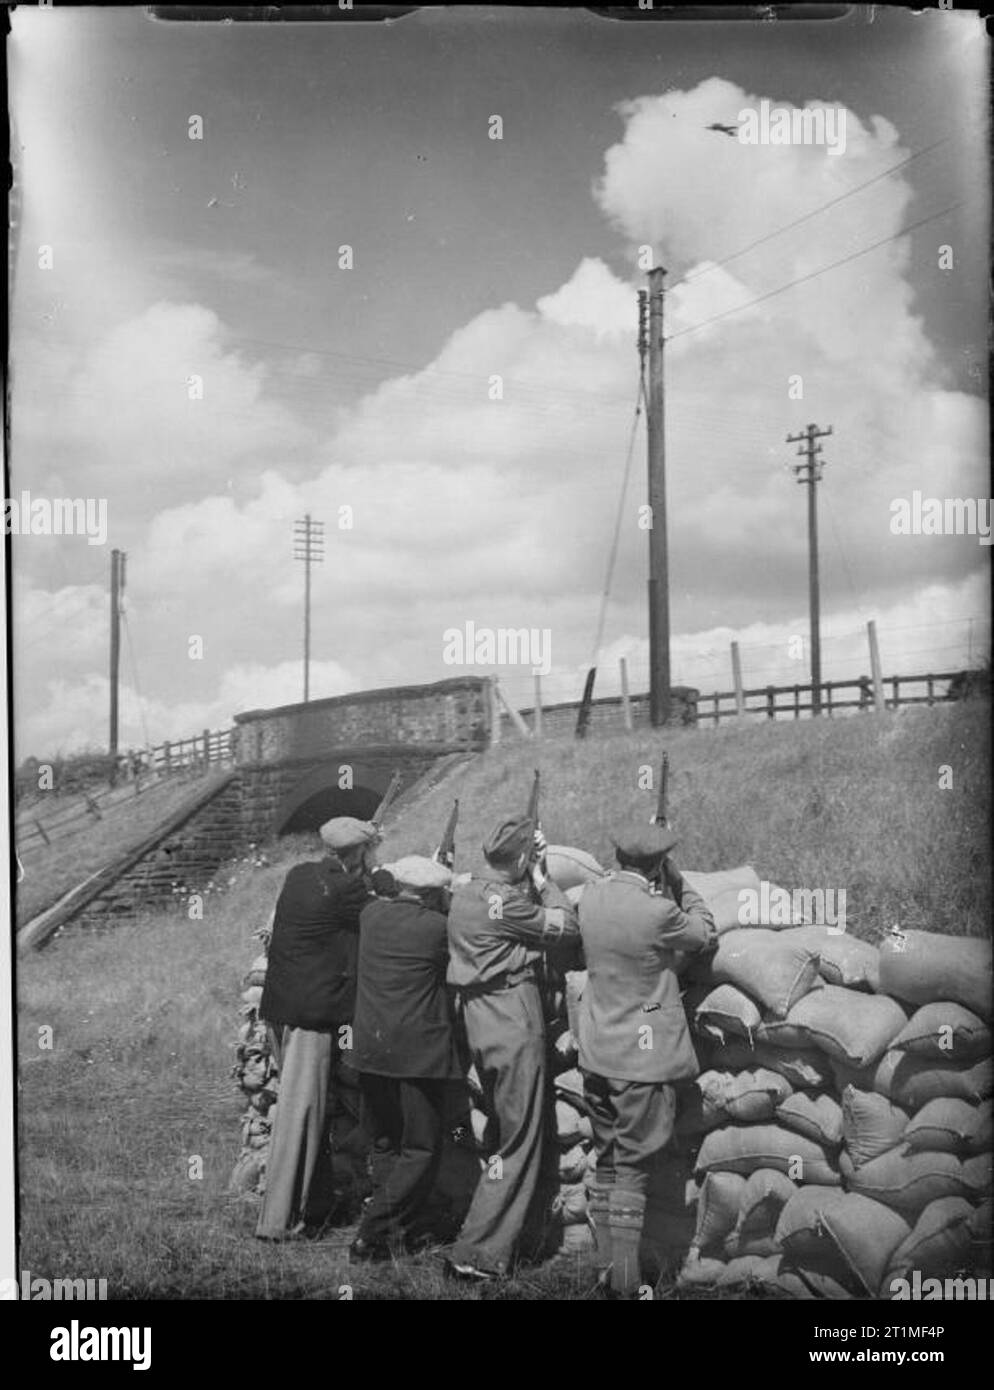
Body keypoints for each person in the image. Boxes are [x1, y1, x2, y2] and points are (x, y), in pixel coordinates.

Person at [577, 819, 718, 1296]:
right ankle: (623, 1282)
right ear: (658, 861)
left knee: (608, 1159)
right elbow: (704, 933)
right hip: (640, 1064)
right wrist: (680, 882)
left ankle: (602, 1268)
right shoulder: (658, 911)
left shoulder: (591, 897)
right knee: (633, 1171)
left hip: (596, 1055)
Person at [444, 814, 579, 1280]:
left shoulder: (466, 892)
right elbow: (565, 925)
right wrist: (543, 879)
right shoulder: (505, 902)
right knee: (521, 1140)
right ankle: (476, 1254)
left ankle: (492, 1238)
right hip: (511, 1019)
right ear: (521, 858)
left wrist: (524, 871)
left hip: (481, 1020)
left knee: (505, 1132)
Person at [255, 815, 379, 1240]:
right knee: (301, 1114)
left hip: (280, 1009)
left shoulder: (298, 875)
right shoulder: (349, 889)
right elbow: (378, 912)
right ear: (359, 852)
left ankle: (316, 1206)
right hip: (312, 1018)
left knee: (305, 1112)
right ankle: (277, 1223)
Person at [350, 854, 461, 1261]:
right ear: (433, 894)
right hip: (418, 1053)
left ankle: (395, 1229)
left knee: (386, 1141)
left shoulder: (371, 915)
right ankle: (374, 1232)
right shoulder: (437, 927)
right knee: (423, 1148)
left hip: (370, 1049)